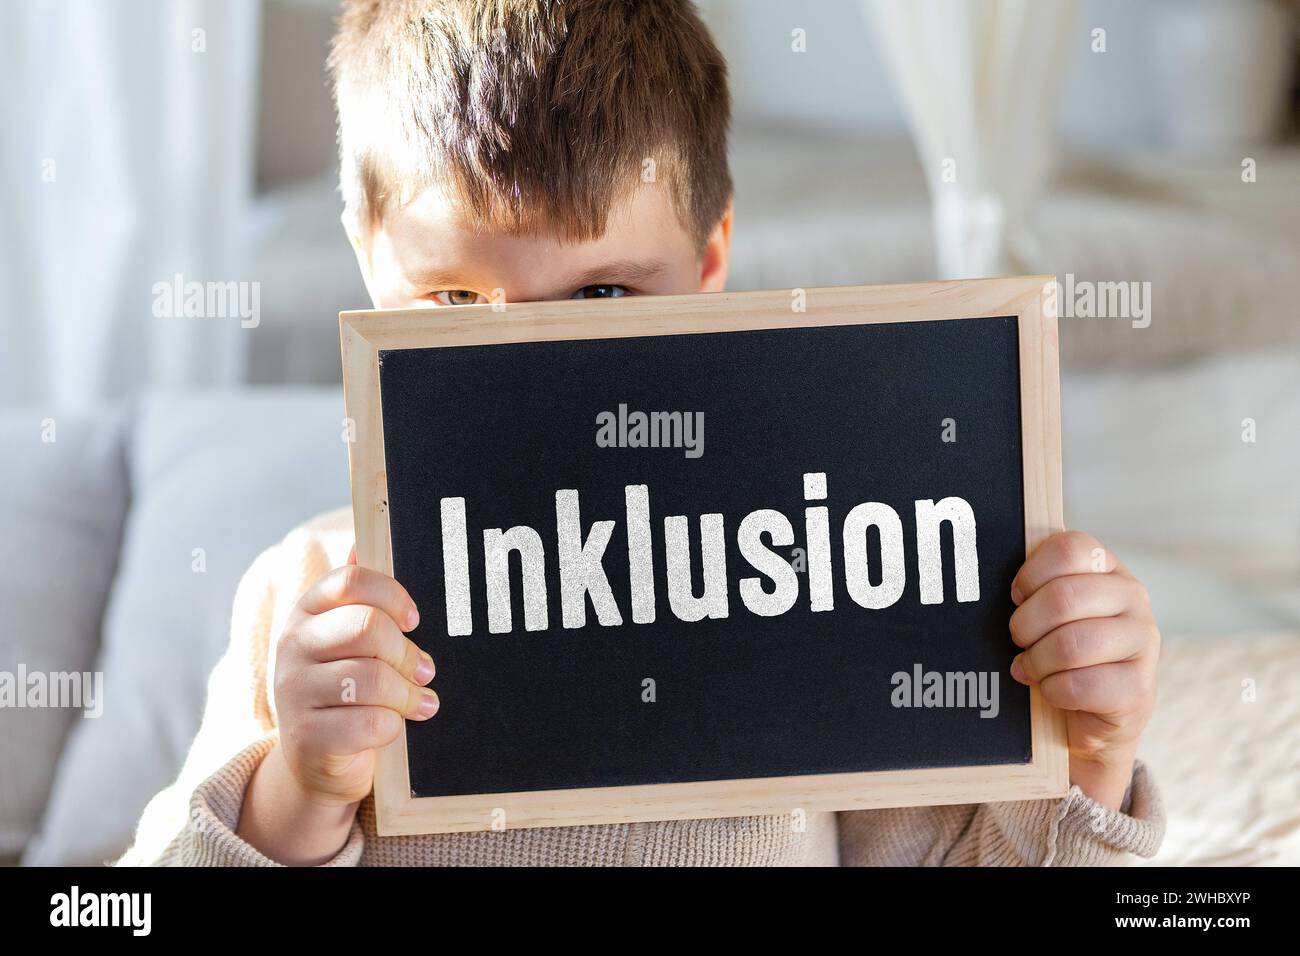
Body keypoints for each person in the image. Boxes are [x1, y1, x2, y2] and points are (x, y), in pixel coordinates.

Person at [122, 0, 1163, 866]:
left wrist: (1091, 758)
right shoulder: (318, 593)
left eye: (604, 290)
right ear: (366, 258)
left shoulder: (837, 565)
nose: (527, 370)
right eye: (451, 300)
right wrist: (293, 801)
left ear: (711, 258)